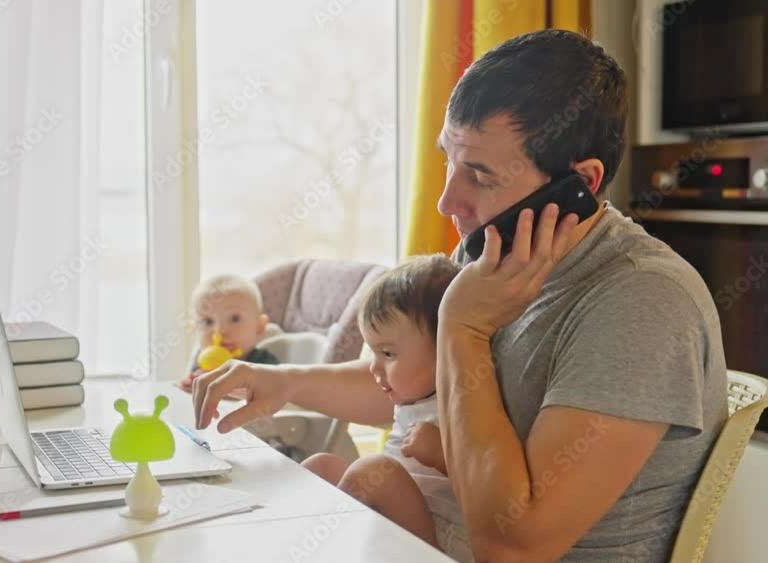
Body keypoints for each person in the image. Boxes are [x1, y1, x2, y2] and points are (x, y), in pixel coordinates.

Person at [192, 29, 728, 562]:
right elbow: (414, 383)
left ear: (580, 184)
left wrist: (463, 329)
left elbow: (514, 547)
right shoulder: (490, 257)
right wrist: (280, 382)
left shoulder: (641, 300)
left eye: (481, 175)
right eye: (450, 159)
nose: (449, 200)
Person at [301, 254, 460, 548]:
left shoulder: (466, 397)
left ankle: (331, 549)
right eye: (373, 353)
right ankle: (300, 542)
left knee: (373, 471)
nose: (374, 368)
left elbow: (492, 485)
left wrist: (444, 455)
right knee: (322, 466)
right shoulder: (410, 398)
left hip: (440, 543)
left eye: (387, 354)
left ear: (446, 347)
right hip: (397, 523)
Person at [177, 274, 279, 393]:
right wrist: (189, 384)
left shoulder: (264, 363)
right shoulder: (202, 363)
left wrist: (230, 388)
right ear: (194, 331)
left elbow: (274, 390)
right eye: (208, 321)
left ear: (259, 328)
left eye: (235, 319)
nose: (220, 331)